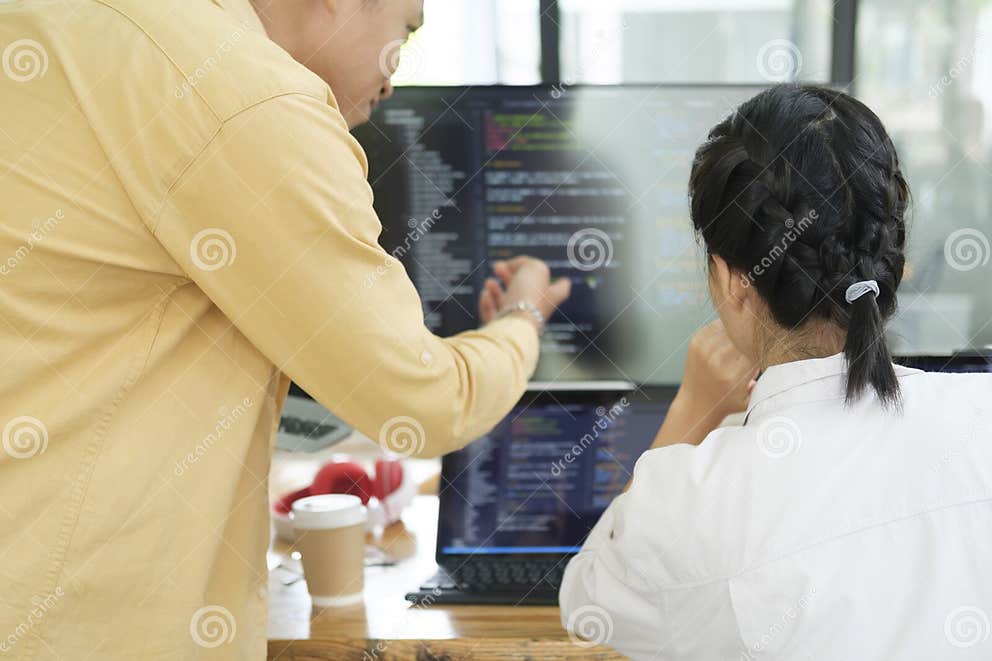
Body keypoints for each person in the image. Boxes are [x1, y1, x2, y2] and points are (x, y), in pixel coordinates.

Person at [0, 0, 569, 658]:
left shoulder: (47, 22)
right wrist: (522, 317)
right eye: (404, 30)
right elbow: (428, 398)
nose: (392, 77)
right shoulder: (244, 97)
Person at [559, 84, 992, 660]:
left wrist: (694, 408)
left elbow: (587, 606)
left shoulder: (695, 500)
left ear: (734, 278)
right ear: (891, 250)